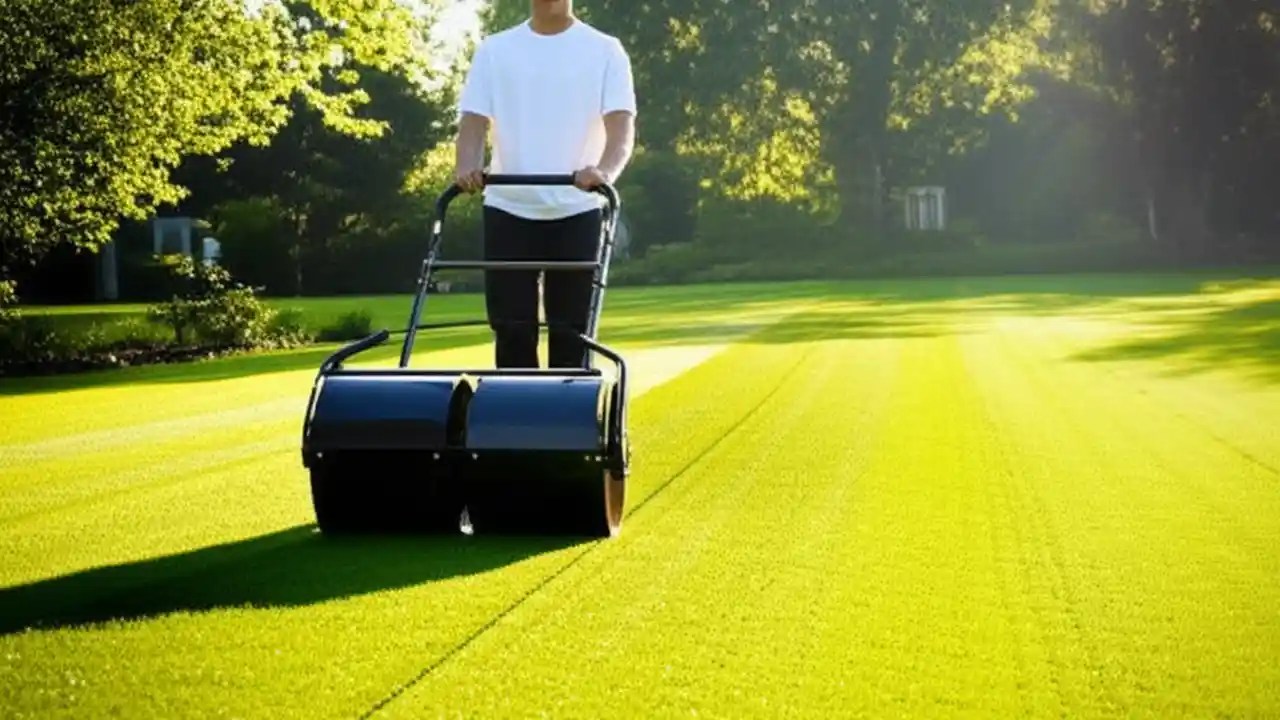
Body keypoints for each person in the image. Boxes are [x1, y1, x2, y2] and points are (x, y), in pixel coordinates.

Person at [453, 0, 637, 369]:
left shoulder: (604, 50)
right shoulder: (495, 50)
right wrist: (467, 165)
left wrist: (603, 172)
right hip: (508, 206)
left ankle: (570, 420)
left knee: (572, 332)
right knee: (511, 329)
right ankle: (516, 419)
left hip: (578, 207)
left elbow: (621, 129)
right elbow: (472, 123)